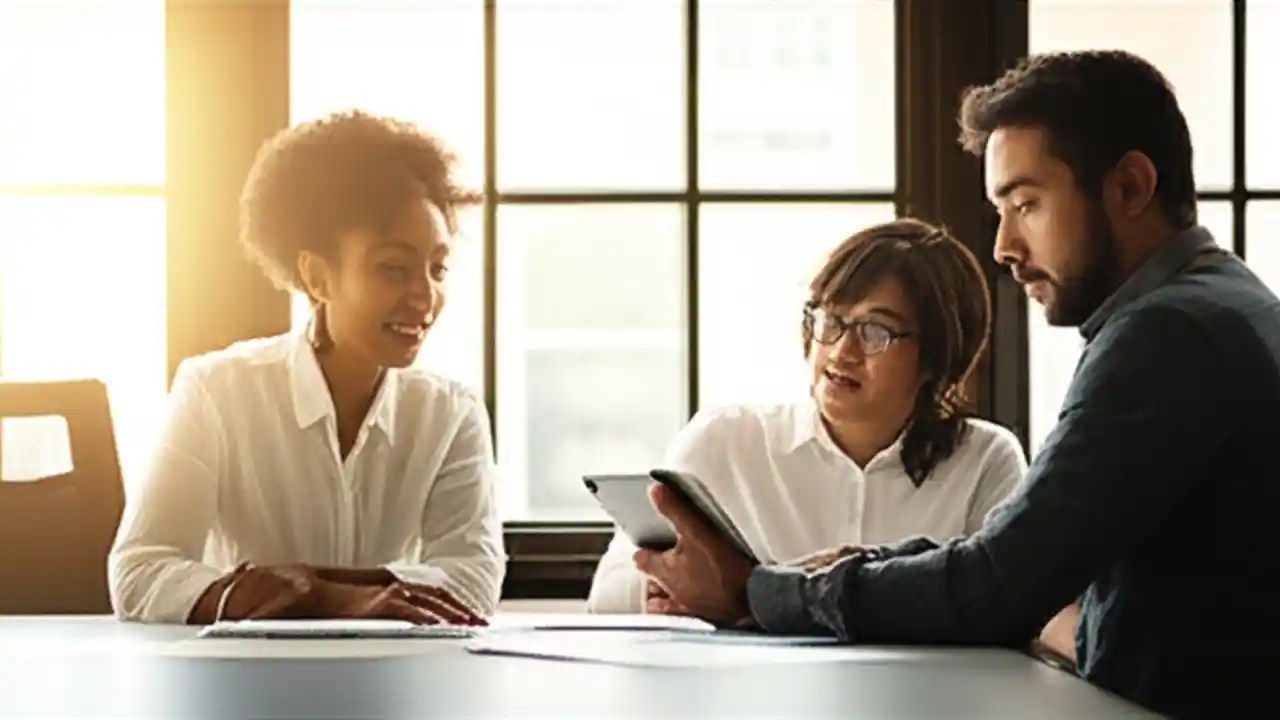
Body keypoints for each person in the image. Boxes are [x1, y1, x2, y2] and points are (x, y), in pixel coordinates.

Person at [633, 50, 1280, 717]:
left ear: (1130, 187)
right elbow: (1028, 571)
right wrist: (860, 572)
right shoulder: (1232, 306)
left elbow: (1000, 586)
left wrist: (754, 593)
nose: (1002, 247)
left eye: (1025, 204)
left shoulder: (1166, 335)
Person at [109, 110, 505, 625]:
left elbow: (473, 577)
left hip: (398, 681)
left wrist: (308, 589)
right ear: (318, 276)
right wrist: (331, 601)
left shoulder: (451, 412)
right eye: (393, 268)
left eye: (437, 268)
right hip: (245, 684)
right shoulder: (215, 391)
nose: (424, 296)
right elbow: (140, 571)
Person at [587, 219, 1026, 614]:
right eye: (830, 321)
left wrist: (758, 594)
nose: (841, 352)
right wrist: (665, 590)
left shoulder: (984, 460)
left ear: (937, 355)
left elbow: (1007, 611)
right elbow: (608, 593)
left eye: (876, 331)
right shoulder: (727, 441)